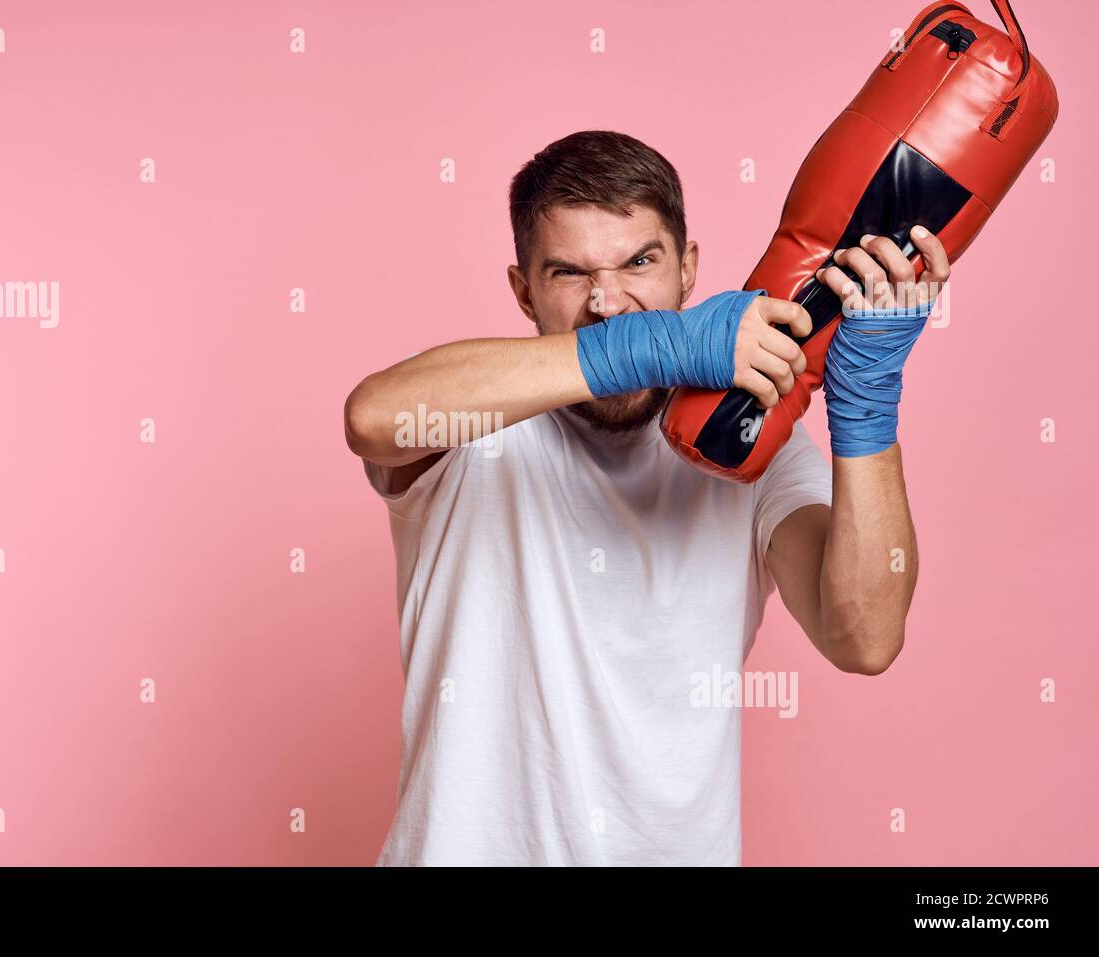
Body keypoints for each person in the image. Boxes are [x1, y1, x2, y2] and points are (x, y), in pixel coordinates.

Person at [344, 130, 949, 866]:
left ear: (689, 269)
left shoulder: (749, 441)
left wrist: (867, 404)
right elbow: (372, 417)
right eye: (569, 271)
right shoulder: (477, 424)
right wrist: (640, 348)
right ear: (522, 288)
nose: (609, 302)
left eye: (641, 261)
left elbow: (866, 637)